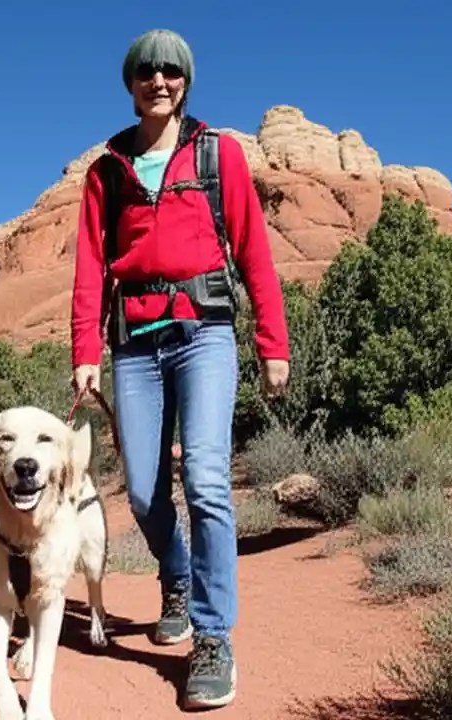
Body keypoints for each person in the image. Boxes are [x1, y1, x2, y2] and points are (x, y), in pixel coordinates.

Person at [69, 28, 291, 710]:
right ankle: (177, 574)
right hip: (134, 341)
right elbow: (88, 268)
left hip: (205, 336)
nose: (158, 81)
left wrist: (273, 341)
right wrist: (85, 353)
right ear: (131, 85)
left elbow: (252, 249)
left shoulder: (216, 153)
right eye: (146, 72)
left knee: (206, 481)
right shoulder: (107, 172)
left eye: (170, 72)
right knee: (140, 491)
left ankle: (213, 637)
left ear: (185, 82)